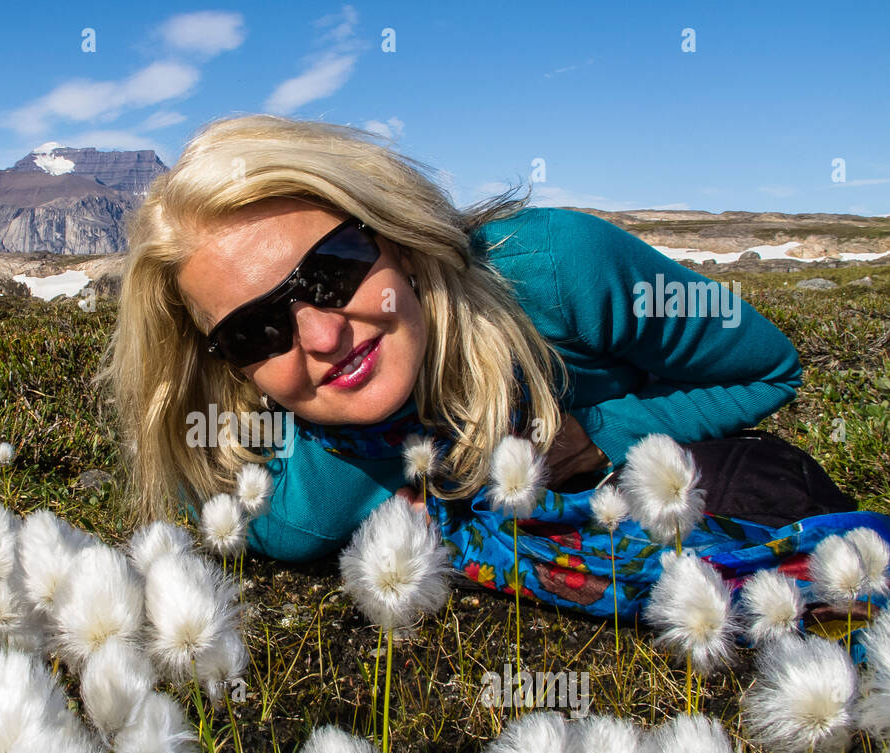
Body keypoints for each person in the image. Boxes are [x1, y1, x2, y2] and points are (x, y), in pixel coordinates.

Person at [99, 114, 889, 626]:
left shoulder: (560, 268)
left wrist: (604, 434)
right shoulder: (300, 498)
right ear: (228, 367)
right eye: (255, 330)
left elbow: (769, 369)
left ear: (396, 240)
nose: (323, 334)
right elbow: (190, 473)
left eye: (332, 269)